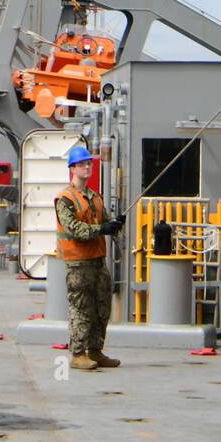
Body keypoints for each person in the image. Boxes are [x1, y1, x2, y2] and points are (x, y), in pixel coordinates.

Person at [55, 145, 124, 372]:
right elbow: (73, 228)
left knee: (101, 307)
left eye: (89, 163)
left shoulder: (95, 197)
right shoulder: (64, 199)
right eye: (83, 164)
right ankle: (78, 353)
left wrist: (114, 225)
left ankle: (95, 350)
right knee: (81, 308)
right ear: (72, 168)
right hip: (78, 263)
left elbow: (104, 221)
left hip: (97, 260)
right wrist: (102, 229)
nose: (87, 167)